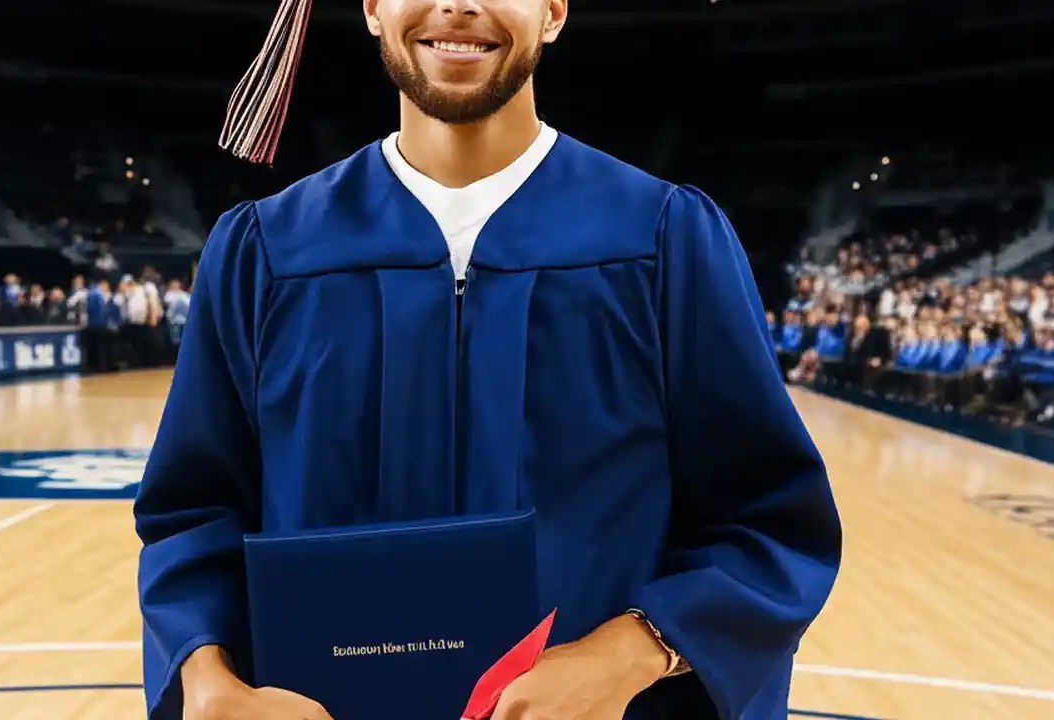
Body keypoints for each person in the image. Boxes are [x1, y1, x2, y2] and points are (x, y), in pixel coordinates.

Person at [134, 2, 842, 719]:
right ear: (374, 9)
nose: (458, 4)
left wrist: (629, 653)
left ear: (556, 12)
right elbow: (194, 515)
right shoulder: (267, 251)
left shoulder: (663, 240)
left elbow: (768, 522)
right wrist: (208, 681)